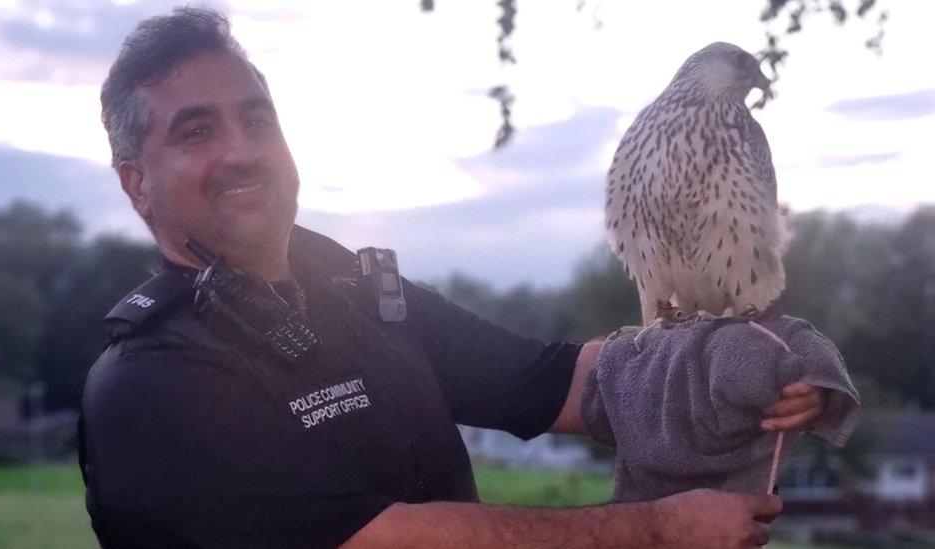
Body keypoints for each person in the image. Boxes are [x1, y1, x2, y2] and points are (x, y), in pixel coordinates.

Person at [79, 7, 826, 548]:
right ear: (137, 183)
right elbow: (394, 541)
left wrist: (764, 362)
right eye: (198, 130)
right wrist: (657, 530)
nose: (242, 149)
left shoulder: (360, 296)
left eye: (258, 118)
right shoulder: (148, 381)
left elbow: (573, 384)